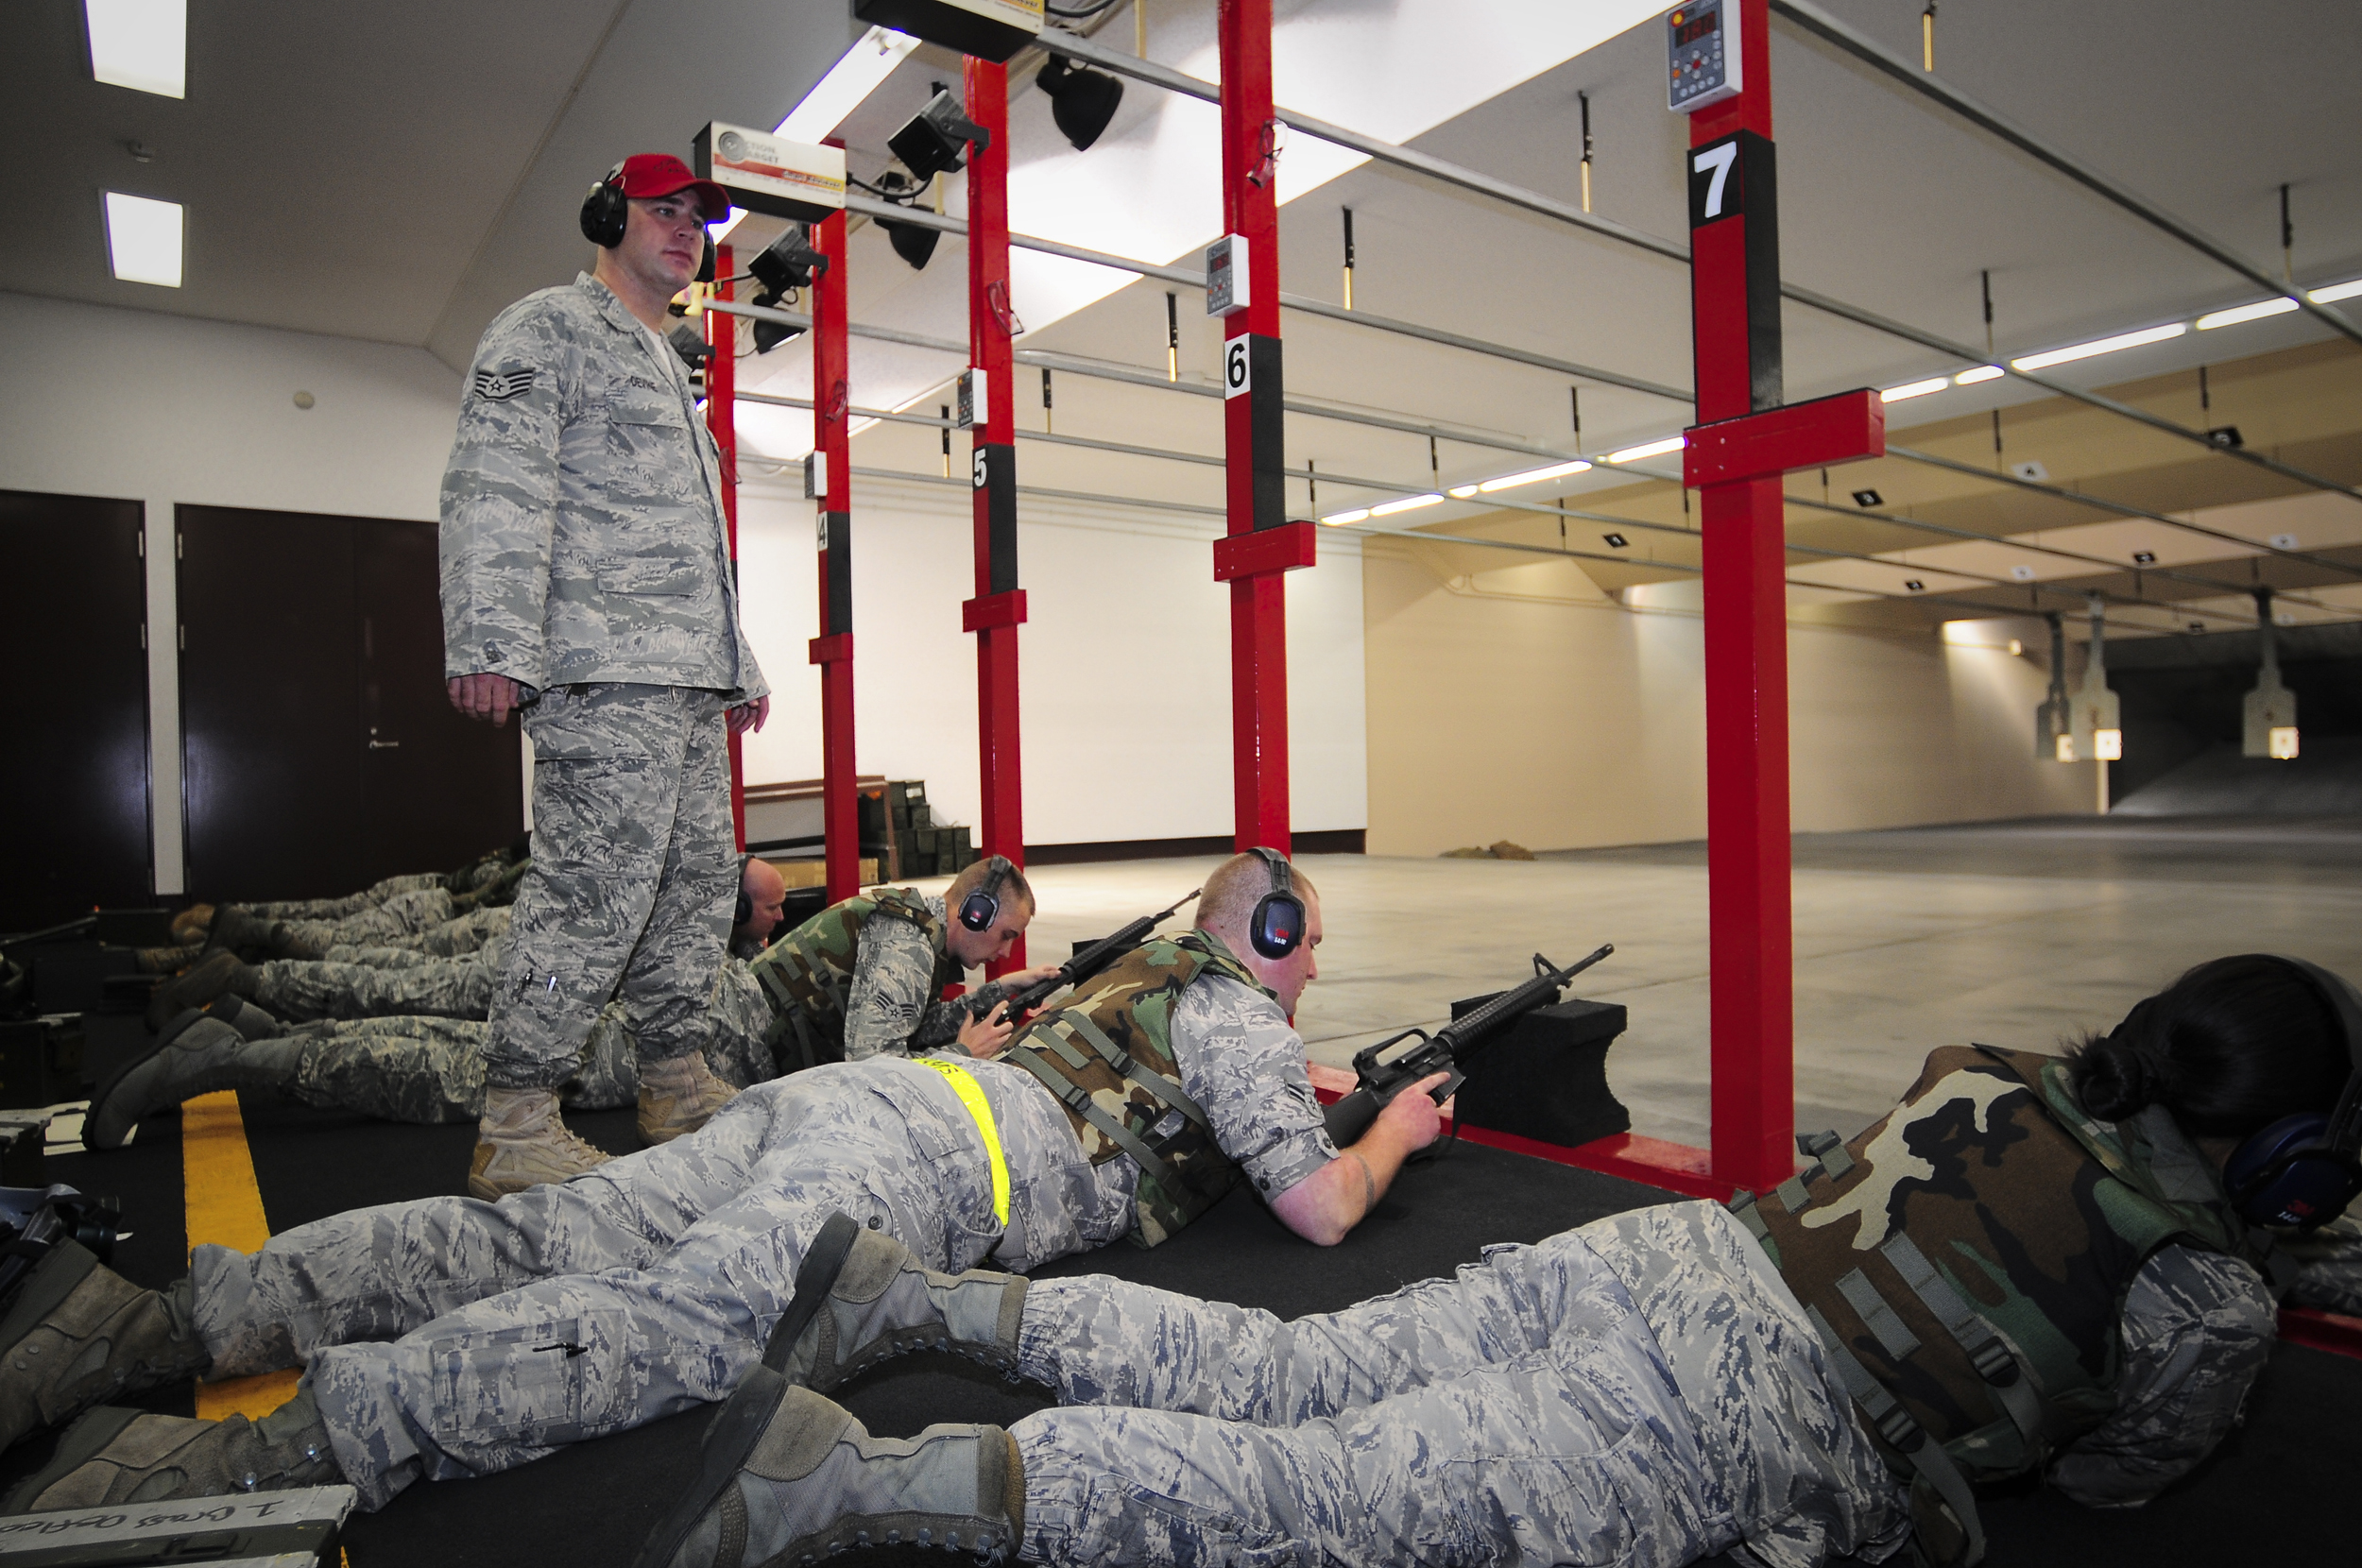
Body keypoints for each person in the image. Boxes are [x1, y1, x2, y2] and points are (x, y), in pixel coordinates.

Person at [633, 952, 2362, 1568]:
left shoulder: (1984, 1070)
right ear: (2278, 1151)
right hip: (1745, 1417)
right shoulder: (2202, 1292)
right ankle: (854, 1487)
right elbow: (2123, 1476)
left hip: (1654, 1262)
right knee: (1314, 1500)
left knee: (1296, 1374)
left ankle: (917, 1303)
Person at [0, 851, 1445, 1518]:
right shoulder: (1237, 1010)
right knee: (680, 1325)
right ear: (1264, 931)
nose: (1311, 969)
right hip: (924, 1159)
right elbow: (1314, 1204)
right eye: (1304, 943)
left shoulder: (1136, 977)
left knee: (538, 1229)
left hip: (844, 1104)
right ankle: (276, 1451)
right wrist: (1395, 1136)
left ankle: (159, 1323)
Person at [439, 151, 773, 1199]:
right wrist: (490, 637)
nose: (686, 233)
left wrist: (738, 660)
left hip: (685, 680)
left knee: (692, 888)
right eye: (663, 212)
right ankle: (517, 1114)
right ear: (607, 215)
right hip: (602, 673)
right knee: (592, 894)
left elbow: (694, 541)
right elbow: (495, 480)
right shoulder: (544, 329)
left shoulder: (673, 362)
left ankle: (672, 1075)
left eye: (698, 220)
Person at [89, 861, 803, 1148]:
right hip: (557, 998)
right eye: (768, 908)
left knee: (410, 1019)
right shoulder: (689, 928)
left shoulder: (715, 943)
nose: (779, 921)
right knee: (408, 1028)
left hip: (565, 1004)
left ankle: (255, 1022)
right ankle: (230, 1038)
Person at [745, 855, 1064, 1071]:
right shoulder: (907, 944)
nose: (1006, 952)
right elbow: (873, 1066)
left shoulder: (918, 924)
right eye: (1006, 935)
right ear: (975, 912)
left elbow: (915, 1026)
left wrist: (1000, 989)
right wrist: (962, 1054)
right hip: (737, 1067)